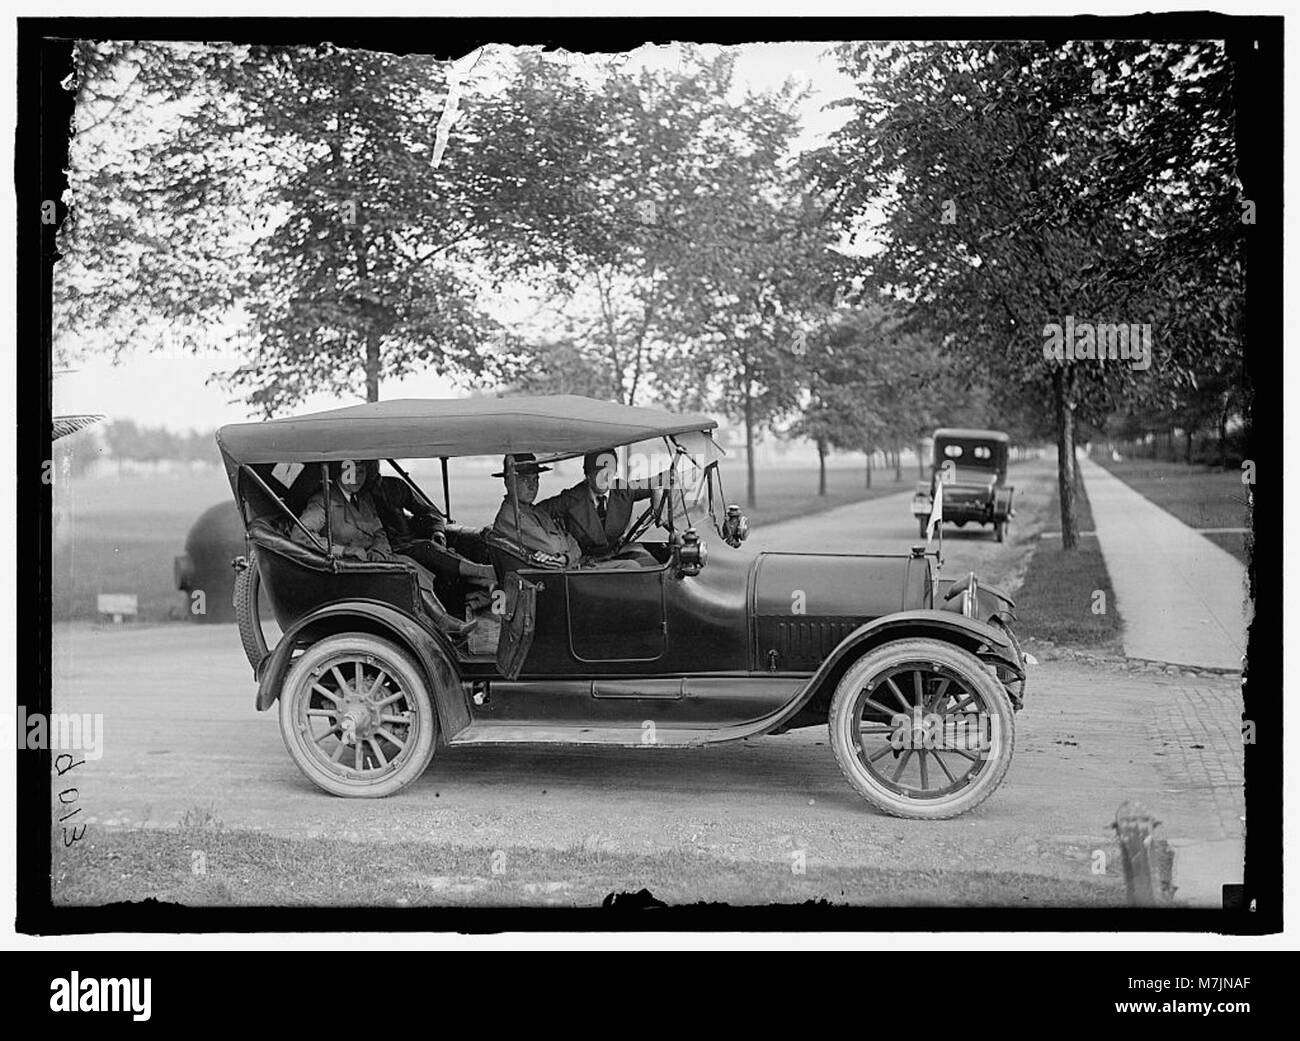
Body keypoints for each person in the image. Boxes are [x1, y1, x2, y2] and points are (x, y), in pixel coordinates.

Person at [293, 460, 474, 636]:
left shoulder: (363, 498)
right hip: (347, 569)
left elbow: (379, 531)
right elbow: (301, 535)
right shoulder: (323, 500)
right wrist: (343, 551)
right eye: (352, 472)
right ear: (340, 472)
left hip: (372, 560)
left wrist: (379, 550)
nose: (357, 477)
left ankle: (440, 622)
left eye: (362, 472)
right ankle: (441, 622)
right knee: (406, 569)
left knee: (410, 565)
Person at [372, 474, 496, 614]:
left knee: (438, 552)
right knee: (427, 550)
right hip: (389, 550)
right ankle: (482, 575)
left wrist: (437, 532)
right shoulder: (358, 496)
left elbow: (428, 511)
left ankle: (481, 582)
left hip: (410, 544)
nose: (362, 470)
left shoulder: (394, 486)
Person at [536, 448, 655, 561]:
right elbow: (534, 514)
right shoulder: (571, 499)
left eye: (610, 472)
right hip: (583, 562)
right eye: (599, 473)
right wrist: (548, 547)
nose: (606, 478)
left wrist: (659, 491)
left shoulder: (622, 490)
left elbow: (659, 481)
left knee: (648, 561)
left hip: (617, 553)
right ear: (588, 476)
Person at [491, 454, 585, 566]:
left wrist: (564, 558)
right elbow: (553, 548)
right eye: (524, 480)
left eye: (535, 479)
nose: (532, 486)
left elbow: (575, 545)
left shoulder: (537, 511)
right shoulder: (510, 517)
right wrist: (566, 554)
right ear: (508, 483)